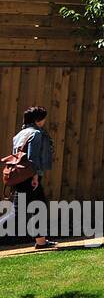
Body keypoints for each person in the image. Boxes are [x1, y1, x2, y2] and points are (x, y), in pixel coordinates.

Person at [10, 106, 56, 248]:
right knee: (17, 213)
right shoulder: (36, 133)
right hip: (29, 176)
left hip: (19, 175)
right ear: (37, 120)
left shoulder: (20, 134)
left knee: (37, 207)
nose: (44, 121)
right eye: (43, 118)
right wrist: (35, 176)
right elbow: (32, 158)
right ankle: (41, 242)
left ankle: (41, 242)